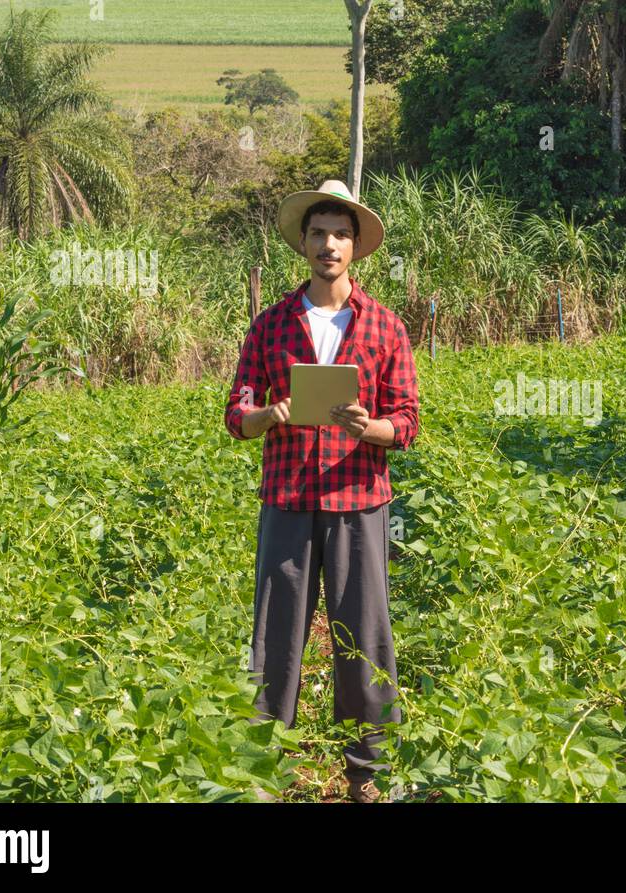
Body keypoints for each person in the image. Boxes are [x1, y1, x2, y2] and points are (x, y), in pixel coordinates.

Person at [224, 179, 419, 803]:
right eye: (318, 233)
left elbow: (407, 422)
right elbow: (237, 415)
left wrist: (373, 428)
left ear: (355, 246)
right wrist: (270, 416)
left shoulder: (385, 326)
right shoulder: (271, 325)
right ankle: (262, 764)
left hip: (359, 498)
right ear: (303, 243)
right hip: (286, 496)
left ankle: (365, 771)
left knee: (363, 633)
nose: (328, 244)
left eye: (340, 233)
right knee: (276, 632)